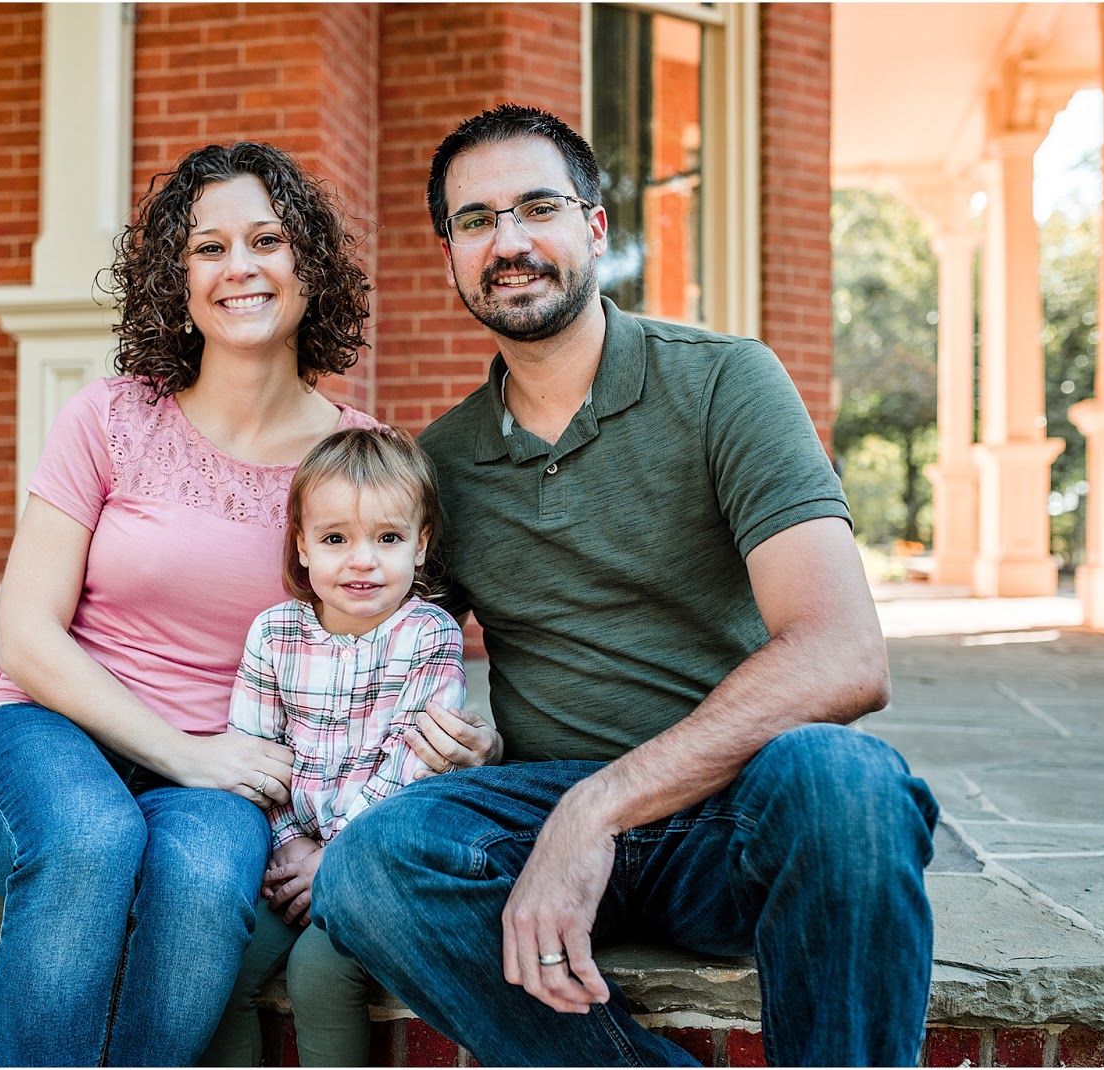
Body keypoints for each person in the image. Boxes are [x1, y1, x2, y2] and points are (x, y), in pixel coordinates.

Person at [313, 104, 940, 1067]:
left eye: (537, 207)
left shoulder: (727, 382)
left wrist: (596, 809)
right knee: (373, 867)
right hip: (540, 812)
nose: (508, 242)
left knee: (848, 782)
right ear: (449, 255)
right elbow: (366, 653)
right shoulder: (440, 463)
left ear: (596, 228)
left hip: (733, 812)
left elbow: (844, 655)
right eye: (475, 221)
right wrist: (430, 751)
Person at [0, 142, 497, 1067]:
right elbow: (24, 633)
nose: (239, 267)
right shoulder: (111, 417)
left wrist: (463, 742)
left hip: (233, 776)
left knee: (200, 882)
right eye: (208, 248)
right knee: (92, 841)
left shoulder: (361, 462)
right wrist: (184, 754)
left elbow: (411, 649)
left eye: (266, 239)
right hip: (45, 734)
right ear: (177, 277)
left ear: (306, 265)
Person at [203, 426, 475, 1066]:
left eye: (387, 538)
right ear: (301, 546)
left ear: (421, 543)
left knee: (320, 972)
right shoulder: (274, 634)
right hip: (294, 856)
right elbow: (256, 754)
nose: (362, 560)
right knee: (220, 971)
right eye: (335, 539)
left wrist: (336, 853)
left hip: (377, 858)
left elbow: (412, 764)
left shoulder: (429, 635)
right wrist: (290, 842)